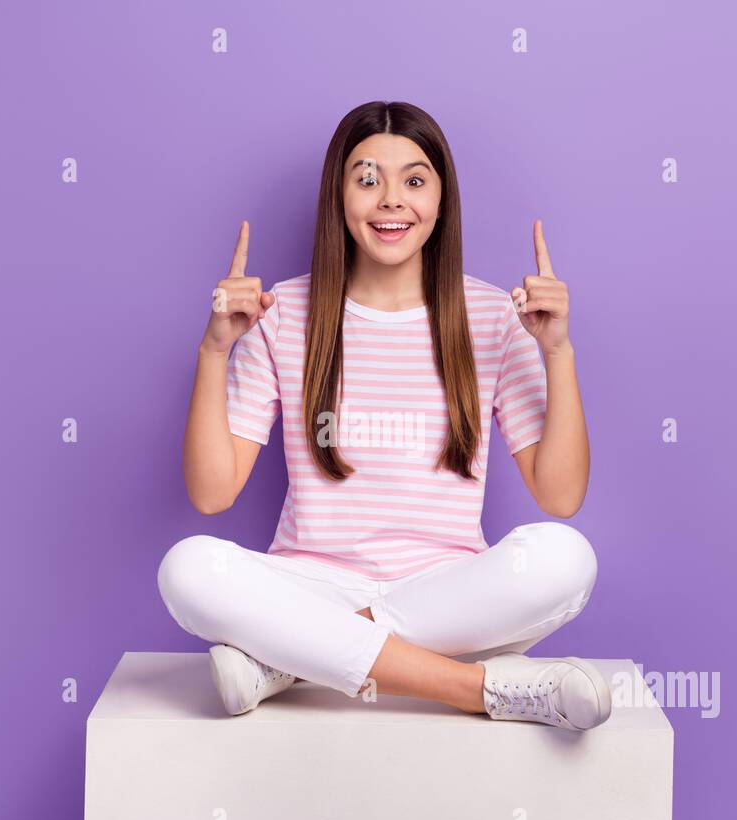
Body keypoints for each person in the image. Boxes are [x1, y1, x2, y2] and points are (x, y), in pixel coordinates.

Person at [157, 101, 610, 731]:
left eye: (415, 181)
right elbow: (212, 494)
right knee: (187, 569)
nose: (391, 200)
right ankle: (476, 689)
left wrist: (557, 350)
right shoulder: (282, 312)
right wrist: (214, 349)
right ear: (338, 197)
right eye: (368, 179)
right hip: (310, 583)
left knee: (567, 557)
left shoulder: (494, 316)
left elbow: (560, 496)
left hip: (447, 594)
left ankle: (289, 662)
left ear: (442, 200)